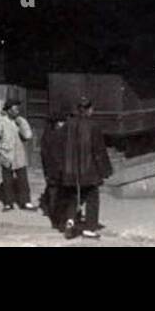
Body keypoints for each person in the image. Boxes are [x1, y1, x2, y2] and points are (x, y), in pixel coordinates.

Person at [61, 97, 113, 239]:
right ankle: (90, 228)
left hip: (70, 170)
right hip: (88, 170)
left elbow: (60, 146)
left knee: (73, 196)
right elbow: (99, 150)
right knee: (92, 198)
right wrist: (105, 170)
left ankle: (70, 220)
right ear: (89, 109)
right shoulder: (93, 126)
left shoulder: (68, 124)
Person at [0, 99, 34, 211]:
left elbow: (28, 136)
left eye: (18, 109)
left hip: (19, 155)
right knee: (7, 180)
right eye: (14, 109)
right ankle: (8, 203)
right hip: (7, 155)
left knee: (23, 179)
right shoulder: (1, 122)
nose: (17, 111)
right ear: (8, 110)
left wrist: (21, 124)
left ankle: (26, 202)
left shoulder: (21, 121)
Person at [40, 109, 68, 229]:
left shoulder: (47, 135)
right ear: (57, 122)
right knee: (59, 195)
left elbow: (44, 155)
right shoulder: (60, 135)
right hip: (58, 170)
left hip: (51, 170)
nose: (64, 123)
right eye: (62, 121)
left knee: (53, 193)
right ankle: (58, 220)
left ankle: (55, 218)